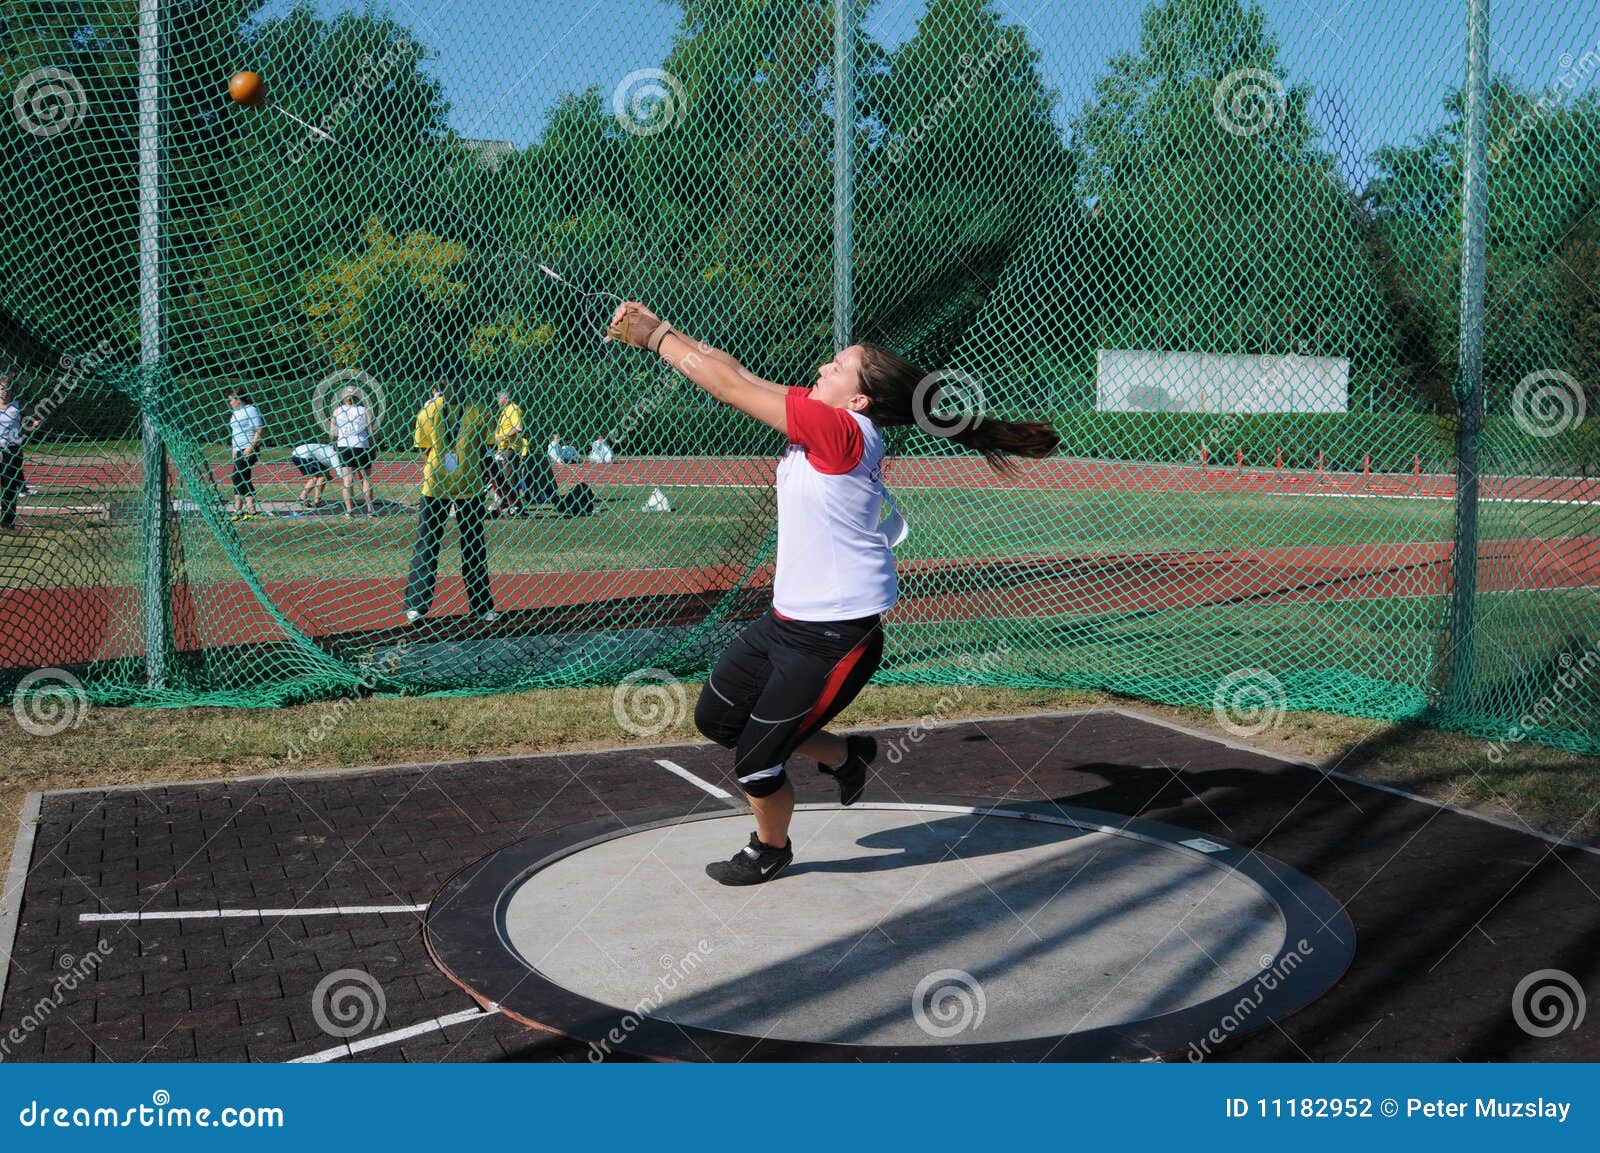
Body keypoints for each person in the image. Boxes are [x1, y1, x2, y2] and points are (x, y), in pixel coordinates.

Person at [607, 301, 1059, 885]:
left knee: (755, 763)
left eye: (839, 365)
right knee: (718, 720)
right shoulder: (826, 414)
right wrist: (667, 328)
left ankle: (768, 849)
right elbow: (734, 372)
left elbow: (723, 386)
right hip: (786, 622)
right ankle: (848, 757)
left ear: (858, 400)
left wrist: (654, 338)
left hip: (835, 636)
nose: (825, 366)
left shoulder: (841, 431)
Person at [403, 380, 498, 624]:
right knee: (427, 544)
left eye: (459, 380)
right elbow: (425, 448)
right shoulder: (430, 410)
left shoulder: (480, 410)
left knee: (474, 548)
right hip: (436, 487)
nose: (455, 386)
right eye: (448, 382)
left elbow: (486, 448)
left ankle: (481, 606)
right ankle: (416, 605)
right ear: (440, 385)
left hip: (470, 488)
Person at [330, 386, 375, 516]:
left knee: (347, 480)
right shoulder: (364, 410)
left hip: (344, 445)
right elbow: (370, 431)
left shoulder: (337, 411)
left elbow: (333, 432)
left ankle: (349, 511)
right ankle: (370, 510)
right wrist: (373, 446)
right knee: (365, 479)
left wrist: (334, 443)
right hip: (362, 445)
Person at [226, 389, 265, 521]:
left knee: (237, 477)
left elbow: (259, 429)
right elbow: (235, 432)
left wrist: (250, 448)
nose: (230, 402)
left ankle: (240, 509)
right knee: (243, 477)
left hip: (248, 449)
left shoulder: (251, 410)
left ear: (239, 399)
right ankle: (250, 510)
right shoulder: (235, 413)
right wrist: (234, 448)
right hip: (238, 449)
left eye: (231, 399)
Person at [490, 389, 527, 517]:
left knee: (509, 477)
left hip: (511, 448)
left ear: (505, 398)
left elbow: (518, 428)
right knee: (501, 477)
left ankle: (515, 505)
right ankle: (507, 502)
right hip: (503, 449)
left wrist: (503, 437)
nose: (498, 401)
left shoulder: (514, 409)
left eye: (499, 398)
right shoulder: (505, 410)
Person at [0, 376, 24, 533]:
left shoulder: (17, 405)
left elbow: (36, 414)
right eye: (2, 388)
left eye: (7, 388)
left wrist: (34, 422)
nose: (5, 392)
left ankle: (8, 523)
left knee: (9, 486)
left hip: (11, 450)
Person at [289, 442, 341, 508]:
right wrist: (345, 478)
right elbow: (338, 469)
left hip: (295, 455)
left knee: (316, 476)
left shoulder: (326, 450)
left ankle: (302, 498)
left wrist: (328, 475)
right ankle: (317, 501)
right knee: (322, 476)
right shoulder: (334, 454)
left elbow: (324, 466)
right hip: (305, 455)